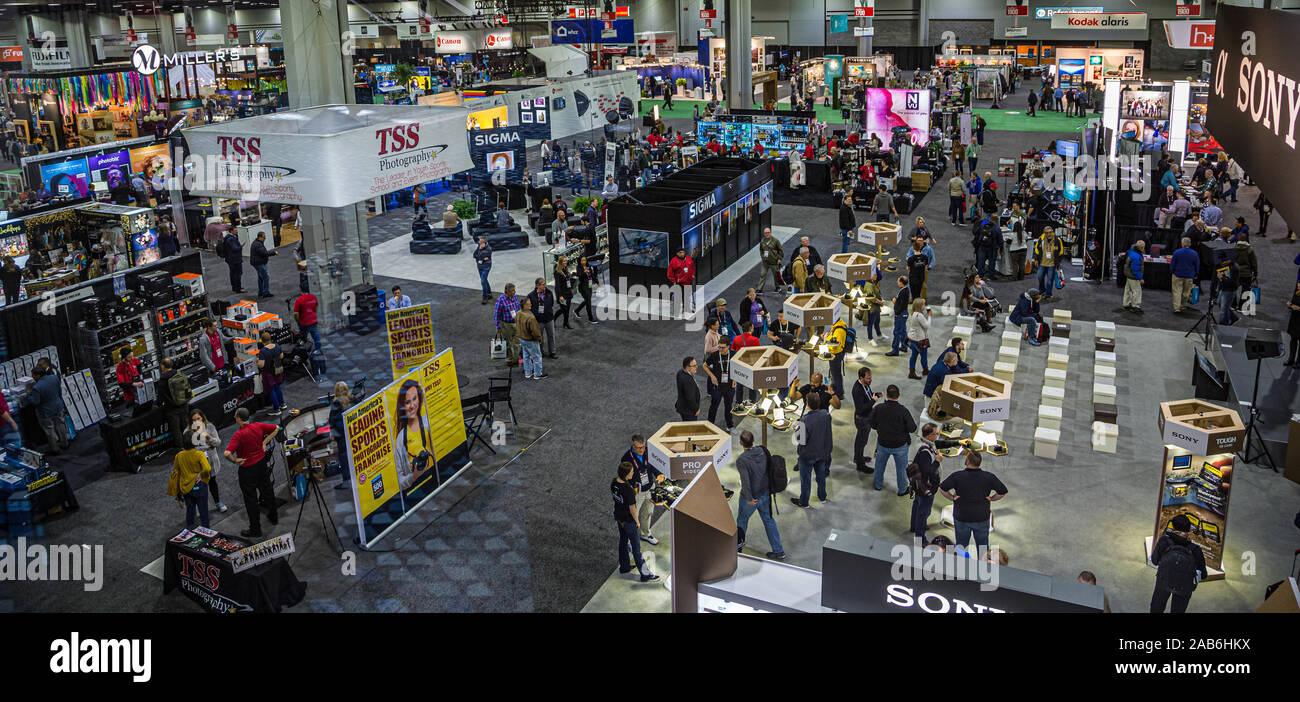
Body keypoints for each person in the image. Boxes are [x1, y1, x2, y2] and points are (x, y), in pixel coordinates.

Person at [938, 451, 1008, 554]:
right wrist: (992, 498)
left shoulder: (957, 476)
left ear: (967, 461)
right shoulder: (989, 477)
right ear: (979, 462)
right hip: (981, 518)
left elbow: (942, 488)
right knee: (983, 548)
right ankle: (984, 567)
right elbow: (1002, 491)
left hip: (962, 517)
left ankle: (961, 566)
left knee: (961, 546)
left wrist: (952, 497)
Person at [224, 407, 279, 537]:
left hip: (248, 470)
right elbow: (276, 428)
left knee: (251, 500)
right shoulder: (257, 426)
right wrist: (264, 443)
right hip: (261, 465)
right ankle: (274, 516)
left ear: (238, 418)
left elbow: (227, 453)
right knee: (268, 490)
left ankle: (255, 529)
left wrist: (235, 460)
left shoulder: (238, 435)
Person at [735, 429, 786, 560]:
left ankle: (737, 547)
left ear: (741, 443)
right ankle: (779, 551)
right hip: (765, 493)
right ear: (752, 441)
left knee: (742, 520)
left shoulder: (742, 460)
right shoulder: (762, 451)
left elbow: (745, 482)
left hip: (751, 497)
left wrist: (749, 498)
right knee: (769, 520)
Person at [1149, 514, 1208, 613]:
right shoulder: (1195, 550)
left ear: (1173, 527)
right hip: (1184, 588)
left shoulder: (1164, 541)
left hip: (1163, 581)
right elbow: (1204, 575)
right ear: (1189, 529)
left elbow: (1154, 561)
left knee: (1157, 607)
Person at [612, 461, 659, 582]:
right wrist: (637, 521)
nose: (633, 473)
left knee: (623, 542)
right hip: (629, 521)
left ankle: (625, 567)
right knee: (636, 549)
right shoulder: (628, 490)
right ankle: (645, 575)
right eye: (632, 472)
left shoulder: (614, 483)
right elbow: (632, 508)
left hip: (619, 518)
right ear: (626, 474)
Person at [869, 384, 916, 494]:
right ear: (899, 395)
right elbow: (912, 428)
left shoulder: (879, 408)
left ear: (886, 394)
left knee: (879, 465)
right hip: (900, 446)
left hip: (883, 443)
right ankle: (902, 489)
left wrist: (880, 429)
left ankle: (878, 484)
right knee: (901, 469)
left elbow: (872, 423)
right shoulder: (903, 411)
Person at [790, 393, 832, 508]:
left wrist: (797, 428)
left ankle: (804, 502)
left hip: (808, 455)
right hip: (822, 453)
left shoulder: (805, 421)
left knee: (806, 480)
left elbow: (801, 440)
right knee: (821, 477)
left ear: (807, 404)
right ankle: (822, 497)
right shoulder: (826, 415)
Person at [622, 435, 664, 545]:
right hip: (636, 492)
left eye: (643, 447)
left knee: (648, 512)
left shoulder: (648, 452)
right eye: (639, 448)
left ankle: (645, 534)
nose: (642, 450)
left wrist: (658, 474)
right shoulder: (626, 458)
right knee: (632, 517)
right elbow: (623, 477)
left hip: (650, 488)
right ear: (633, 446)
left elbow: (654, 465)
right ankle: (629, 541)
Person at [166, 430, 213, 529]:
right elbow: (207, 468)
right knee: (203, 512)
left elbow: (176, 471)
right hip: (200, 487)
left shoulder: (179, 455)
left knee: (190, 512)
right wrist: (200, 474)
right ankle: (206, 534)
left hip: (186, 488)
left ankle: (190, 533)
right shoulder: (199, 454)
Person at [909, 422, 943, 542]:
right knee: (923, 512)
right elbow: (927, 471)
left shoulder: (921, 442)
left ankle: (915, 526)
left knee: (917, 506)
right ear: (929, 436)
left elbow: (938, 443)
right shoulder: (925, 452)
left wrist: (958, 443)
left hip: (918, 486)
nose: (937, 435)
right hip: (926, 487)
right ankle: (920, 538)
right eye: (935, 434)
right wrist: (937, 461)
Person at [852, 366, 881, 474]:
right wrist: (873, 401)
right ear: (861, 378)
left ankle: (858, 457)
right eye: (868, 378)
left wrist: (876, 395)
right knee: (861, 441)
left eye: (871, 378)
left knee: (861, 440)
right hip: (862, 419)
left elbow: (869, 395)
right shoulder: (857, 390)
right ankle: (860, 465)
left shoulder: (865, 385)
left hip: (867, 417)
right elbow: (860, 409)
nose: (870, 380)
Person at [159, 357, 192, 450]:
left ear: (163, 366)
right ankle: (190, 443)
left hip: (171, 408)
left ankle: (181, 447)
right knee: (186, 424)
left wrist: (158, 404)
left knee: (176, 429)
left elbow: (161, 396)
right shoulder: (179, 374)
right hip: (183, 404)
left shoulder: (163, 380)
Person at [702, 341, 735, 430]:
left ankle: (730, 426)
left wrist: (736, 379)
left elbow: (738, 367)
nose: (720, 349)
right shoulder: (715, 355)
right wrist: (712, 376)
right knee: (713, 406)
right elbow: (704, 365)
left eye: (723, 347)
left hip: (730, 386)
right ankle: (710, 426)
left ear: (728, 346)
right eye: (719, 347)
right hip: (717, 386)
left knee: (729, 407)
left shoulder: (733, 354)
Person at [256, 330, 286, 415]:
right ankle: (282, 404)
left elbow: (261, 365)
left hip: (268, 373)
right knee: (277, 387)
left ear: (262, 341)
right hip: (277, 370)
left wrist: (257, 361)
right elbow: (281, 356)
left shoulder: (263, 351)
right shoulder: (277, 346)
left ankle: (276, 409)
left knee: (271, 389)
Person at [517, 296, 547, 380]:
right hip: (531, 340)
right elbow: (535, 331)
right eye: (528, 303)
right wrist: (539, 339)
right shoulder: (531, 317)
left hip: (522, 339)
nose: (531, 304)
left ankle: (528, 372)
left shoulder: (518, 313)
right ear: (524, 305)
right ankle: (537, 374)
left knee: (526, 356)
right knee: (537, 357)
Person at [528, 278, 558, 360]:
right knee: (539, 337)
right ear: (537, 285)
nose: (545, 286)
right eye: (543, 284)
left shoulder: (549, 293)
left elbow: (551, 303)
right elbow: (529, 307)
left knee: (551, 336)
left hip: (549, 318)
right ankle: (540, 352)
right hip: (538, 320)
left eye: (545, 284)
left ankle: (552, 352)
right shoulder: (531, 295)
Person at [494, 283, 522, 368]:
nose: (515, 292)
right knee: (508, 343)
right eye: (513, 290)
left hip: (515, 322)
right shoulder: (500, 300)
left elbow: (518, 308)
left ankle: (516, 358)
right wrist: (498, 327)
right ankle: (510, 359)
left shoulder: (514, 297)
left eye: (514, 290)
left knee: (517, 342)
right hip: (506, 324)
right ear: (507, 291)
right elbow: (497, 315)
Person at [1170, 237, 1200, 314]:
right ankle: (1183, 305)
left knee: (1177, 291)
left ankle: (1177, 307)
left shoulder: (1177, 252)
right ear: (1189, 244)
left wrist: (1172, 271)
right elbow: (1197, 265)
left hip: (1177, 274)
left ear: (1182, 243)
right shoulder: (1194, 253)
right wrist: (1196, 273)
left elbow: (1172, 263)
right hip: (1189, 275)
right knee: (1186, 292)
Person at [906, 298, 931, 380]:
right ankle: (925, 370)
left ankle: (911, 372)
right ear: (920, 306)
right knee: (923, 356)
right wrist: (930, 316)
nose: (925, 305)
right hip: (920, 340)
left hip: (912, 338)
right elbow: (927, 325)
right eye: (923, 304)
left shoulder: (912, 313)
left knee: (914, 356)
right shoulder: (919, 315)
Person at [291, 284, 321, 352]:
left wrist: (298, 321)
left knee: (303, 336)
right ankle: (318, 349)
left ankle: (304, 350)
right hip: (313, 320)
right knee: (315, 335)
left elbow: (296, 313)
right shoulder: (313, 297)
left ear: (300, 289)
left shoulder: (299, 300)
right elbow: (316, 307)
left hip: (304, 322)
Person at [667, 246, 696, 314]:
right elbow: (669, 273)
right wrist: (674, 281)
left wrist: (692, 275)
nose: (682, 254)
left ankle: (687, 307)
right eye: (680, 252)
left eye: (683, 252)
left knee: (688, 295)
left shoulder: (688, 258)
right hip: (680, 282)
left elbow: (692, 267)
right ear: (677, 253)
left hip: (688, 281)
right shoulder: (674, 261)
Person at [1122, 240, 1146, 314]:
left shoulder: (1131, 251)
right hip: (1133, 276)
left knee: (1128, 290)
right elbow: (1135, 269)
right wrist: (1140, 278)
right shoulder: (1136, 255)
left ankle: (1126, 304)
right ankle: (1135, 306)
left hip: (1128, 275)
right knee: (1137, 291)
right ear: (1142, 247)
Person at [1216, 258, 1241, 326]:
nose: (1223, 262)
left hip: (1229, 290)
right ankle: (1233, 317)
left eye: (1225, 260)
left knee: (1223, 310)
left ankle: (1223, 325)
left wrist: (1221, 278)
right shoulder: (1227, 265)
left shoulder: (1234, 268)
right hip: (1224, 288)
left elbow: (1232, 282)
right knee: (1221, 305)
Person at [675, 356, 701, 421]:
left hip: (682, 406)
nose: (697, 367)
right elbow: (690, 398)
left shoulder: (680, 372)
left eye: (696, 364)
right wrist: (696, 409)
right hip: (689, 411)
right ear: (687, 367)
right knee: (691, 428)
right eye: (694, 366)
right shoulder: (688, 380)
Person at [574, 256, 598, 324]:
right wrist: (585, 272)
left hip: (589, 285)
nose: (584, 262)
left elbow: (592, 275)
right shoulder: (578, 267)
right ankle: (590, 318)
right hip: (582, 286)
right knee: (588, 302)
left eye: (585, 260)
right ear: (580, 261)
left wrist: (597, 282)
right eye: (582, 261)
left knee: (587, 300)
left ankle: (577, 310)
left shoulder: (588, 266)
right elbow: (579, 275)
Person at [222, 228, 245, 293]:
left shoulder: (228, 237)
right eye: (235, 230)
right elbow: (235, 248)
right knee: (237, 274)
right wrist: (241, 246)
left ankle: (235, 287)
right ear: (231, 231)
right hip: (235, 259)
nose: (237, 231)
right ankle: (238, 288)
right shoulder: (231, 239)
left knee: (233, 273)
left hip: (230, 259)